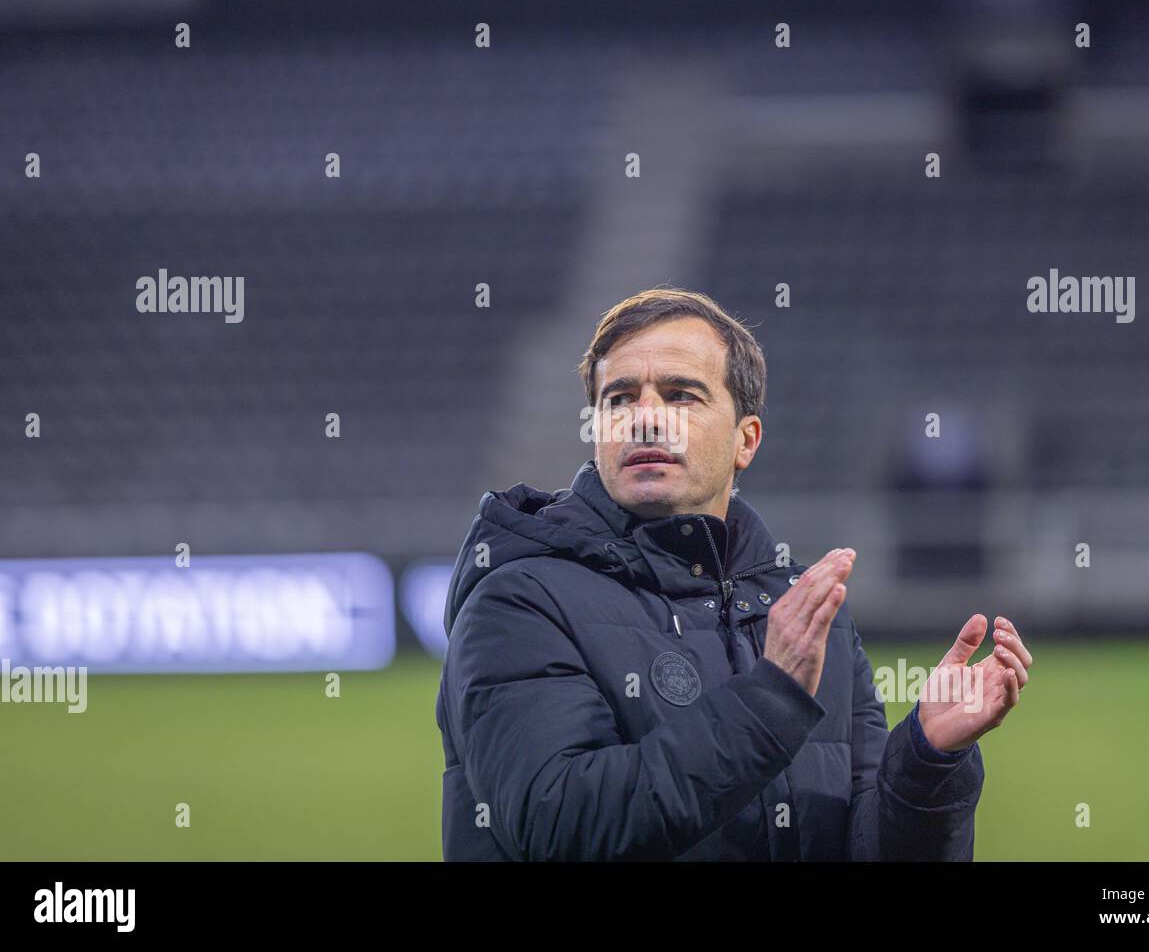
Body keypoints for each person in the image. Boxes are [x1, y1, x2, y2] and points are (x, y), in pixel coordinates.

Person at [435, 288, 1032, 860]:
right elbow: (559, 823)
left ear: (746, 440)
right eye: (619, 398)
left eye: (679, 395)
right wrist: (770, 700)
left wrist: (926, 761)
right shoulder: (518, 601)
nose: (645, 419)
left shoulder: (803, 611)